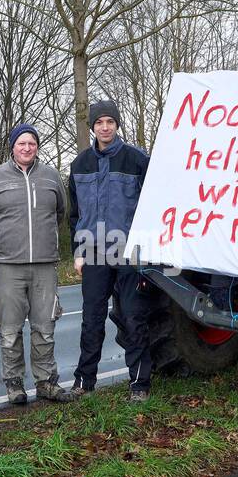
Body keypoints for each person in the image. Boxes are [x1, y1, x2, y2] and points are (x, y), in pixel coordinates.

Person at [0, 124, 75, 405]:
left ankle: (46, 382)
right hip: (7, 266)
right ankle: (14, 384)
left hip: (45, 265)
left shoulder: (51, 176)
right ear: (12, 146)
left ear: (37, 146)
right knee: (9, 329)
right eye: (21, 143)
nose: (26, 148)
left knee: (44, 327)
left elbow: (60, 211)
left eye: (32, 143)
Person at [68, 99, 152, 401]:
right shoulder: (79, 165)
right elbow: (75, 214)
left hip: (128, 252)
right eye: (99, 123)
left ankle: (140, 384)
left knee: (133, 316)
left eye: (110, 122)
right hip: (93, 253)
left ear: (117, 125)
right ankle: (84, 382)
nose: (105, 127)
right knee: (91, 318)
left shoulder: (137, 160)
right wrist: (78, 250)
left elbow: (150, 207)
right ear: (93, 127)